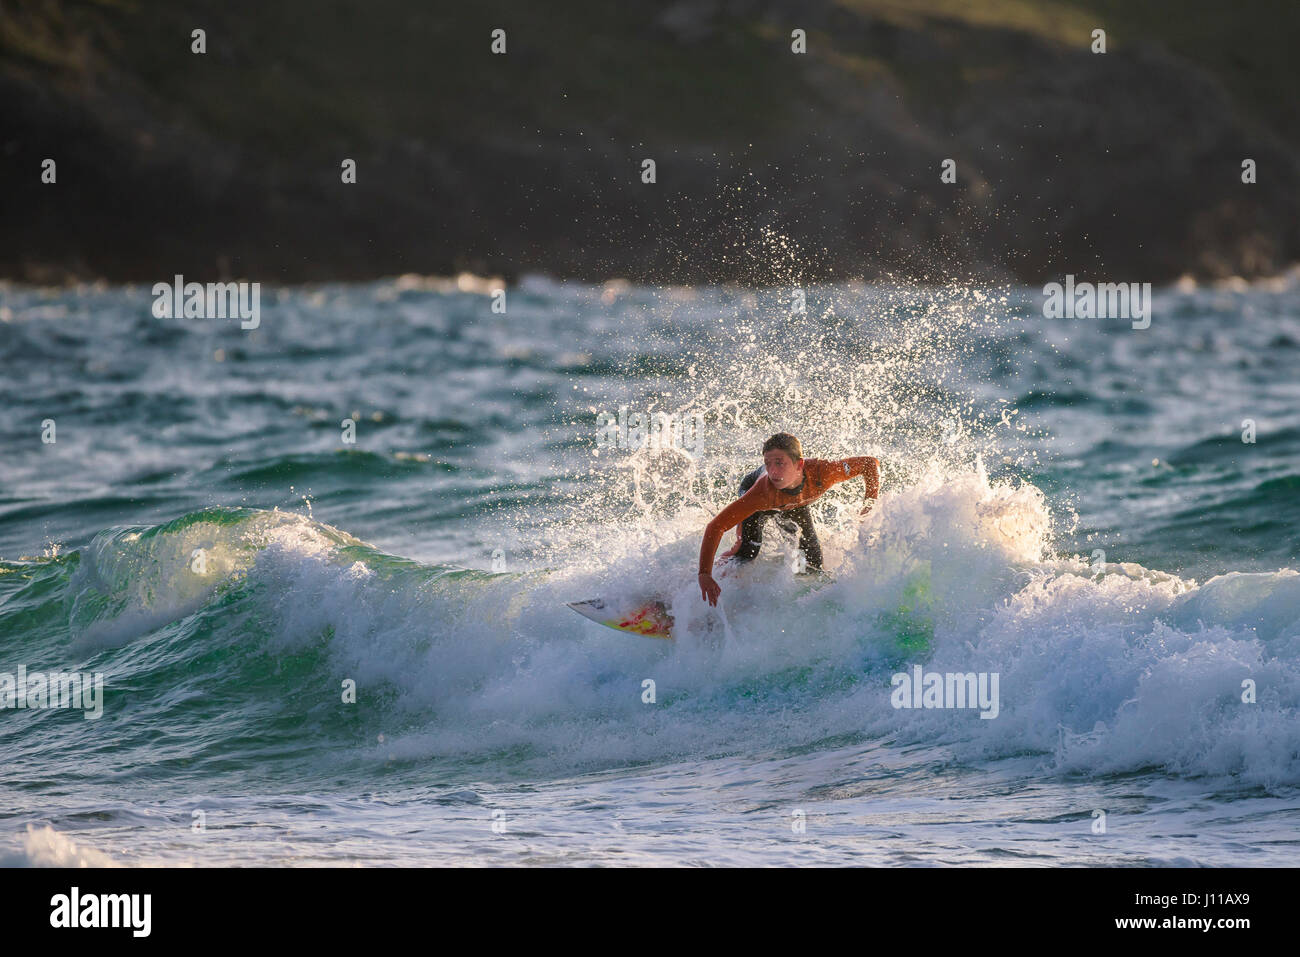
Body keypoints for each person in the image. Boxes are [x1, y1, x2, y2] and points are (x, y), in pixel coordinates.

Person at [698, 433, 879, 606]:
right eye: (768, 463)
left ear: (799, 464)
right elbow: (716, 526)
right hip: (759, 500)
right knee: (747, 553)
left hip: (793, 505)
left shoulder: (823, 472)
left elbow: (869, 464)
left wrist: (868, 506)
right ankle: (715, 578)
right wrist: (704, 574)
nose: (773, 471)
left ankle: (803, 598)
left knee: (811, 563)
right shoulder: (761, 493)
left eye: (780, 463)